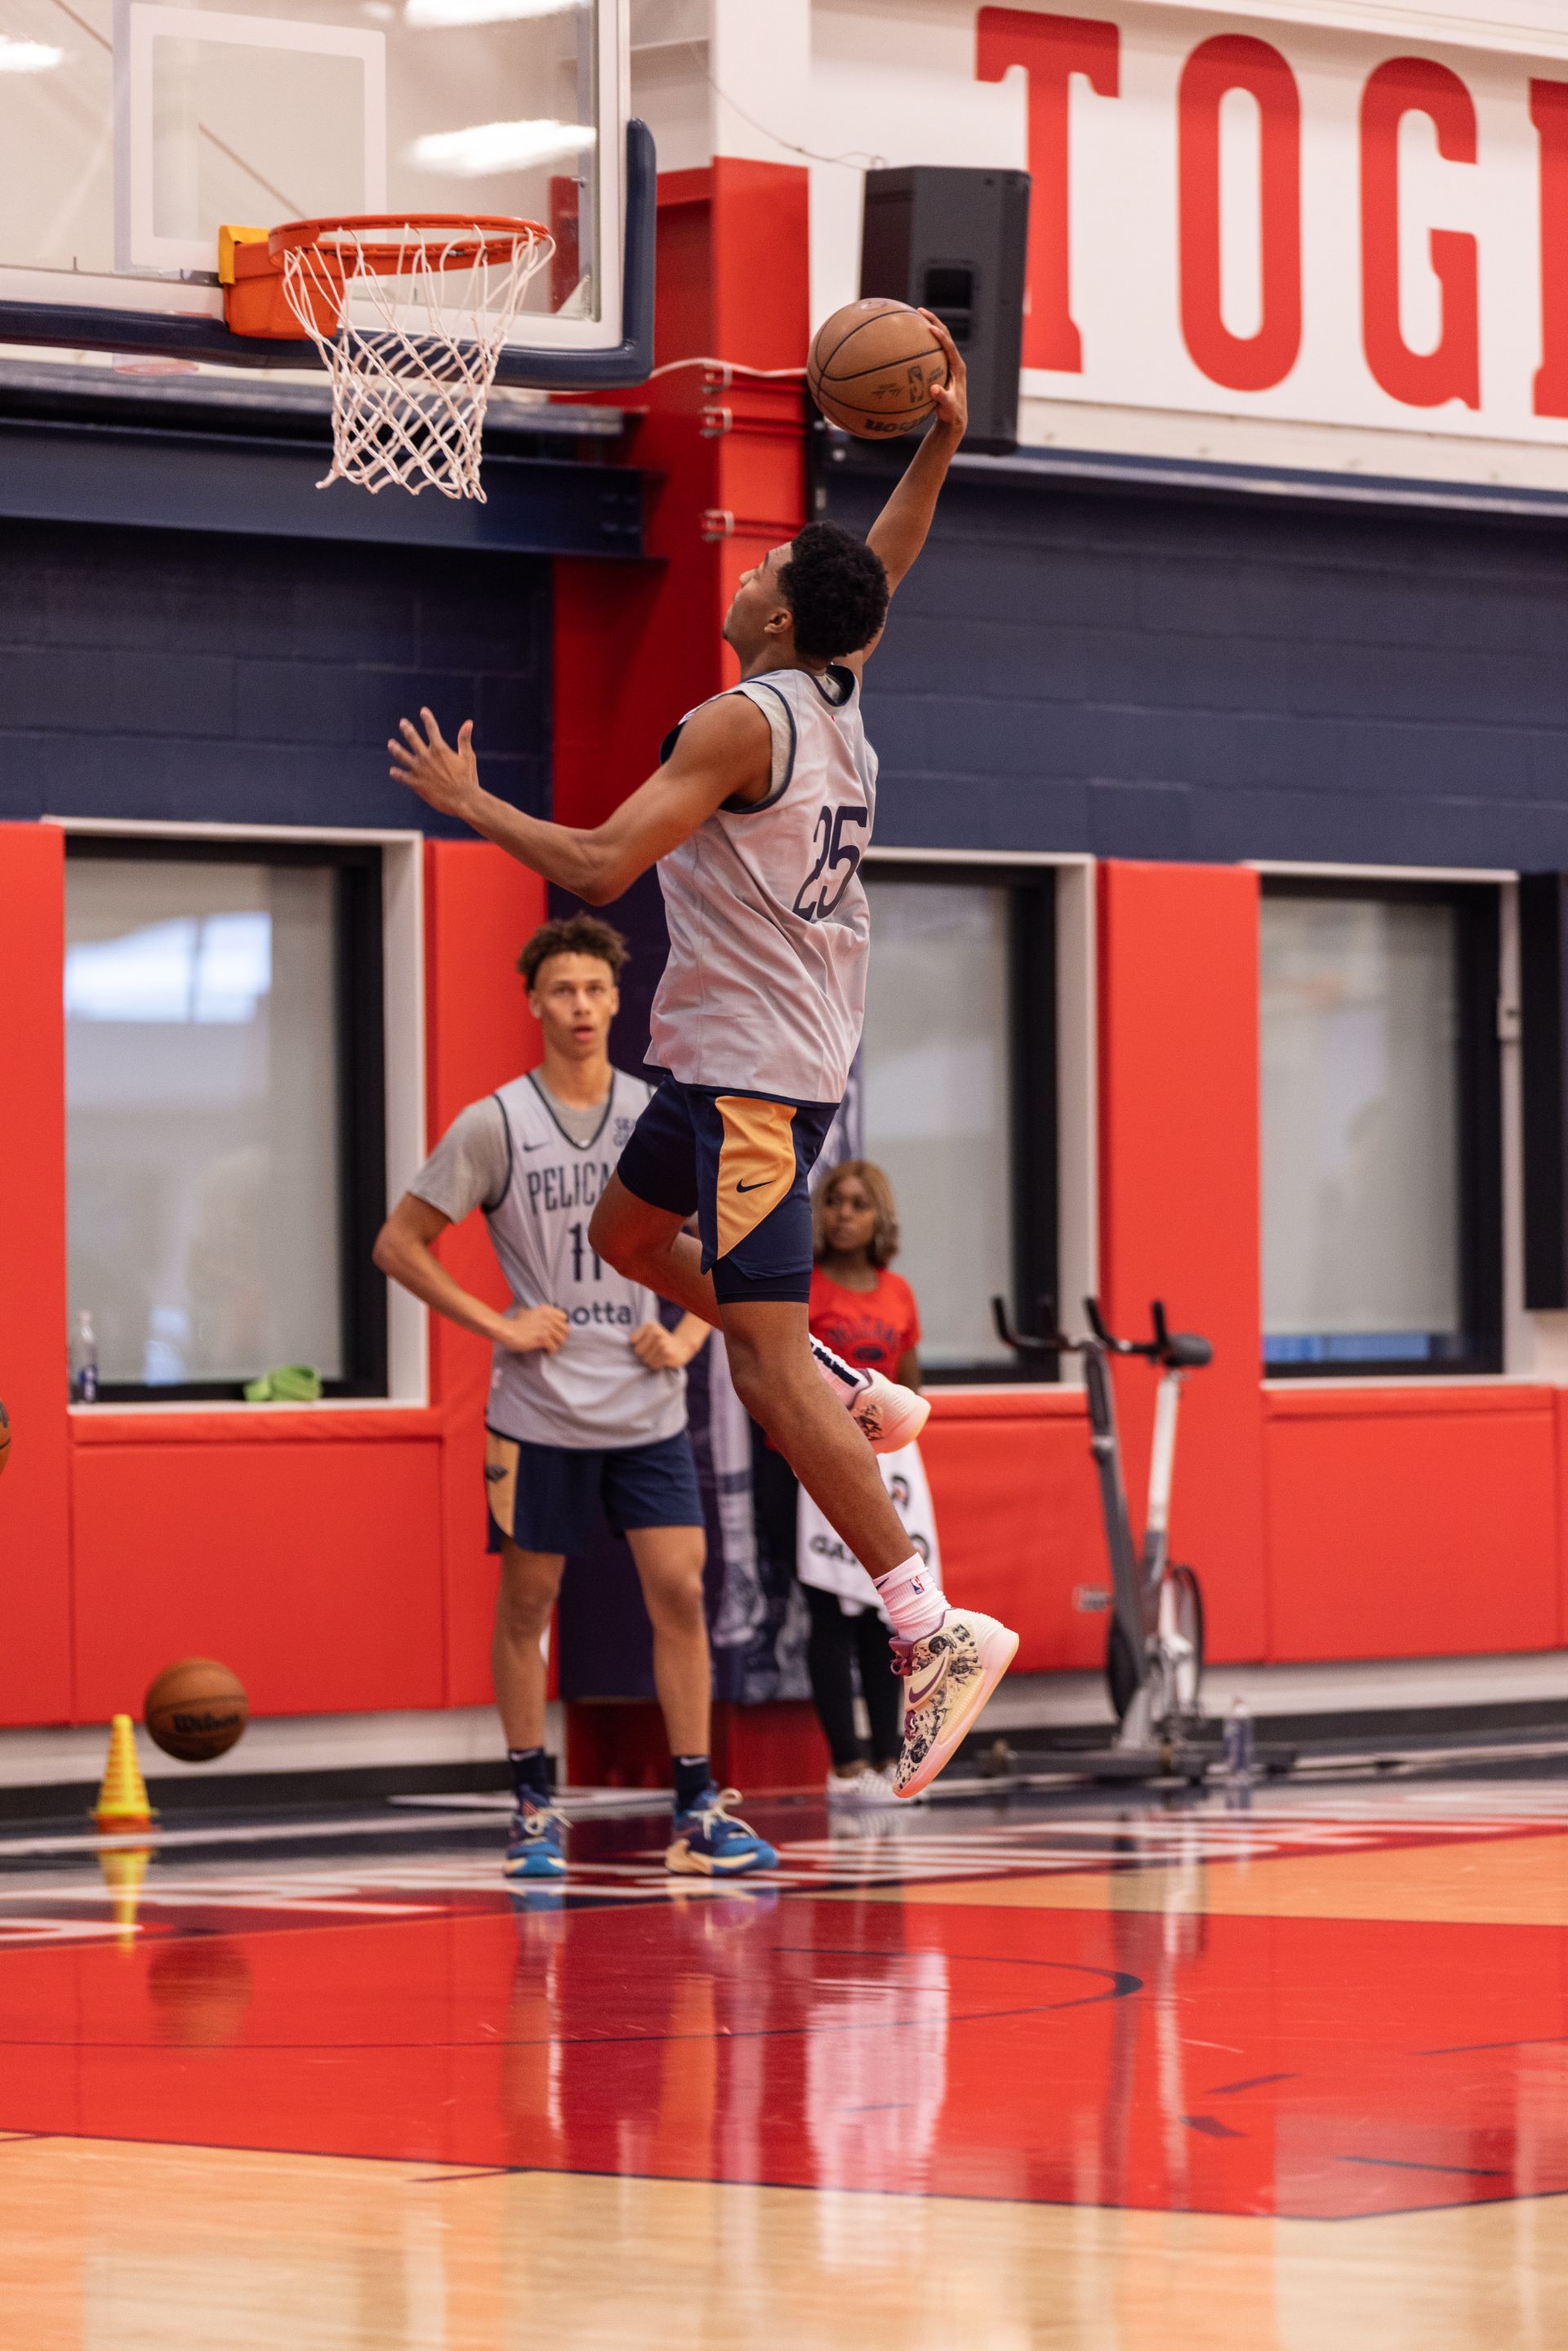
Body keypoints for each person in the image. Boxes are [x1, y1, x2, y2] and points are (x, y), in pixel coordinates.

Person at [389, 314, 1017, 1801]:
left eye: (764, 574)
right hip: (731, 1065)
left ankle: (930, 1618)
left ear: (786, 620)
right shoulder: (836, 684)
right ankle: (859, 1392)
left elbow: (603, 866)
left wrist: (479, 806)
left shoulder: (744, 720)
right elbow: (893, 550)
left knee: (752, 1355)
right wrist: (937, 436)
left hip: (756, 1081)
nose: (743, 572)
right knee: (621, 1236)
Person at [372, 913, 778, 1881]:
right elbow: (398, 1243)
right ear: (535, 1002)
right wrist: (500, 1322)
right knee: (530, 1600)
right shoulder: (495, 1121)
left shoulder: (656, 1115)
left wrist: (684, 1329)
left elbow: (730, 1244)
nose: (583, 1006)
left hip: (645, 1405)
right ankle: (531, 1804)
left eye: (596, 989)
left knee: (680, 1588)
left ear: (615, 999)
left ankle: (696, 1807)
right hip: (538, 1409)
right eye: (564, 989)